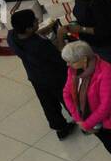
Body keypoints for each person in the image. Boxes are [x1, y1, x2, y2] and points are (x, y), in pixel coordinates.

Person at [7, 9, 74, 140]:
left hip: (35, 77)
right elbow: (61, 56)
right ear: (27, 29)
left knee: (48, 104)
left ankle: (60, 129)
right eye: (35, 21)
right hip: (55, 76)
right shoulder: (39, 46)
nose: (38, 21)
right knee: (67, 98)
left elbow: (31, 37)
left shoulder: (12, 36)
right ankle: (82, 121)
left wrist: (41, 31)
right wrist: (60, 35)